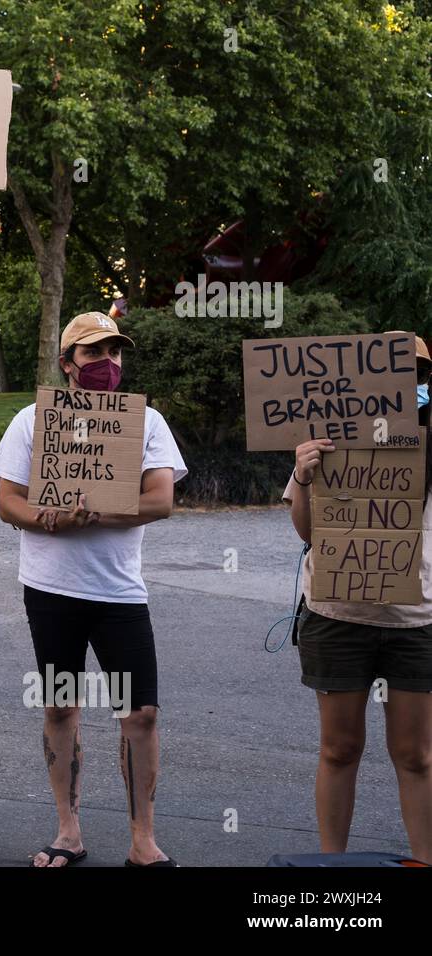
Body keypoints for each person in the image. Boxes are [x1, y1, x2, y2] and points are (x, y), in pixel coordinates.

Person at [0, 311, 187, 867]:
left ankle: (143, 840)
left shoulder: (146, 422)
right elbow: (8, 501)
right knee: (59, 708)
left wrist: (98, 509)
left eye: (115, 353)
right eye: (94, 353)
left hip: (120, 593)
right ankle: (67, 832)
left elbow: (161, 501)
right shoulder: (33, 421)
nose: (107, 364)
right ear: (67, 364)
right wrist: (45, 518)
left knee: (140, 713)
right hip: (51, 590)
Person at [283, 333, 432, 864]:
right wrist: (303, 474)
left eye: (416, 375)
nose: (406, 385)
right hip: (337, 614)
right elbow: (306, 532)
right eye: (397, 374)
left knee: (416, 756)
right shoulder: (328, 437)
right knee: (339, 749)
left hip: (415, 619)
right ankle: (333, 869)